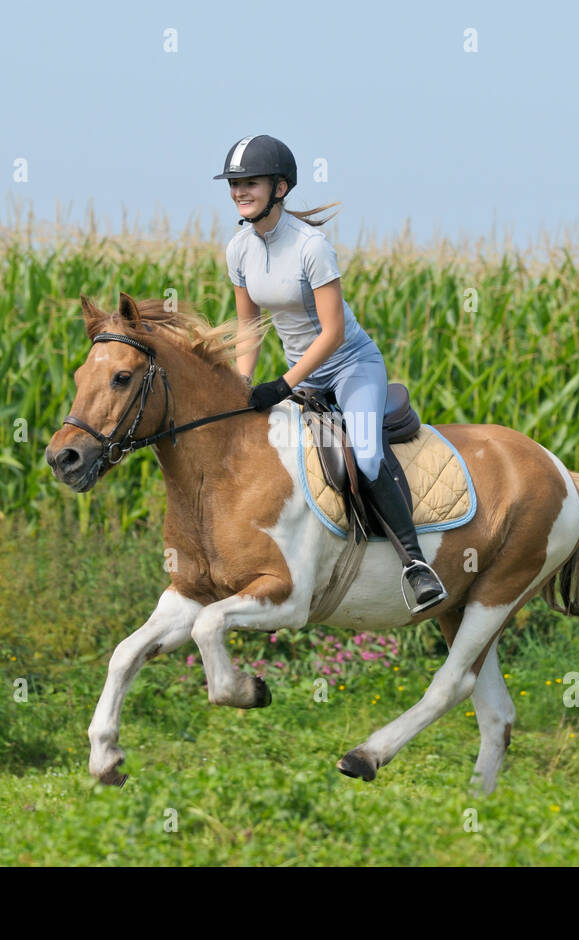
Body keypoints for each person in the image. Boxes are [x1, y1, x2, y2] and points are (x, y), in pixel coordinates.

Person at [215, 134, 447, 613]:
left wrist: (283, 384)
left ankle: (415, 565)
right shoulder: (238, 249)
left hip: (349, 366)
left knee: (363, 454)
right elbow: (248, 326)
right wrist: (242, 382)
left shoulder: (312, 247)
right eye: (235, 183)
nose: (240, 191)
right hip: (303, 373)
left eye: (250, 182)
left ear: (280, 187)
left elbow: (334, 332)